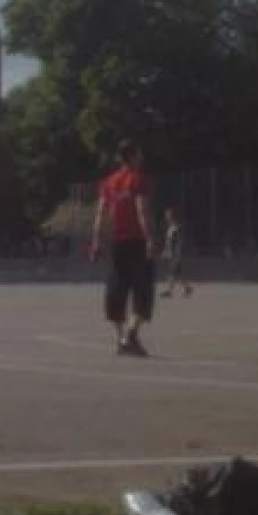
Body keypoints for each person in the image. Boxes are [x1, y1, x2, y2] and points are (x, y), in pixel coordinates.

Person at [90, 140, 157, 356]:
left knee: (117, 289)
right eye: (140, 154)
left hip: (117, 244)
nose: (142, 158)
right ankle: (131, 333)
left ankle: (121, 337)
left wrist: (97, 241)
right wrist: (150, 238)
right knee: (143, 290)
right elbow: (142, 211)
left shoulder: (109, 183)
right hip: (136, 242)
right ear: (133, 156)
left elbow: (101, 214)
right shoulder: (137, 180)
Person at [159, 207, 192, 298]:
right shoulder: (170, 227)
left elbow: (179, 243)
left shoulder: (177, 228)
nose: (166, 217)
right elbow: (168, 242)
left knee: (171, 272)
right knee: (178, 273)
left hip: (175, 254)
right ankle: (187, 288)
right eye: (166, 215)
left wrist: (178, 255)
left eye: (168, 215)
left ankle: (169, 291)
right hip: (171, 253)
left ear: (172, 216)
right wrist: (165, 251)